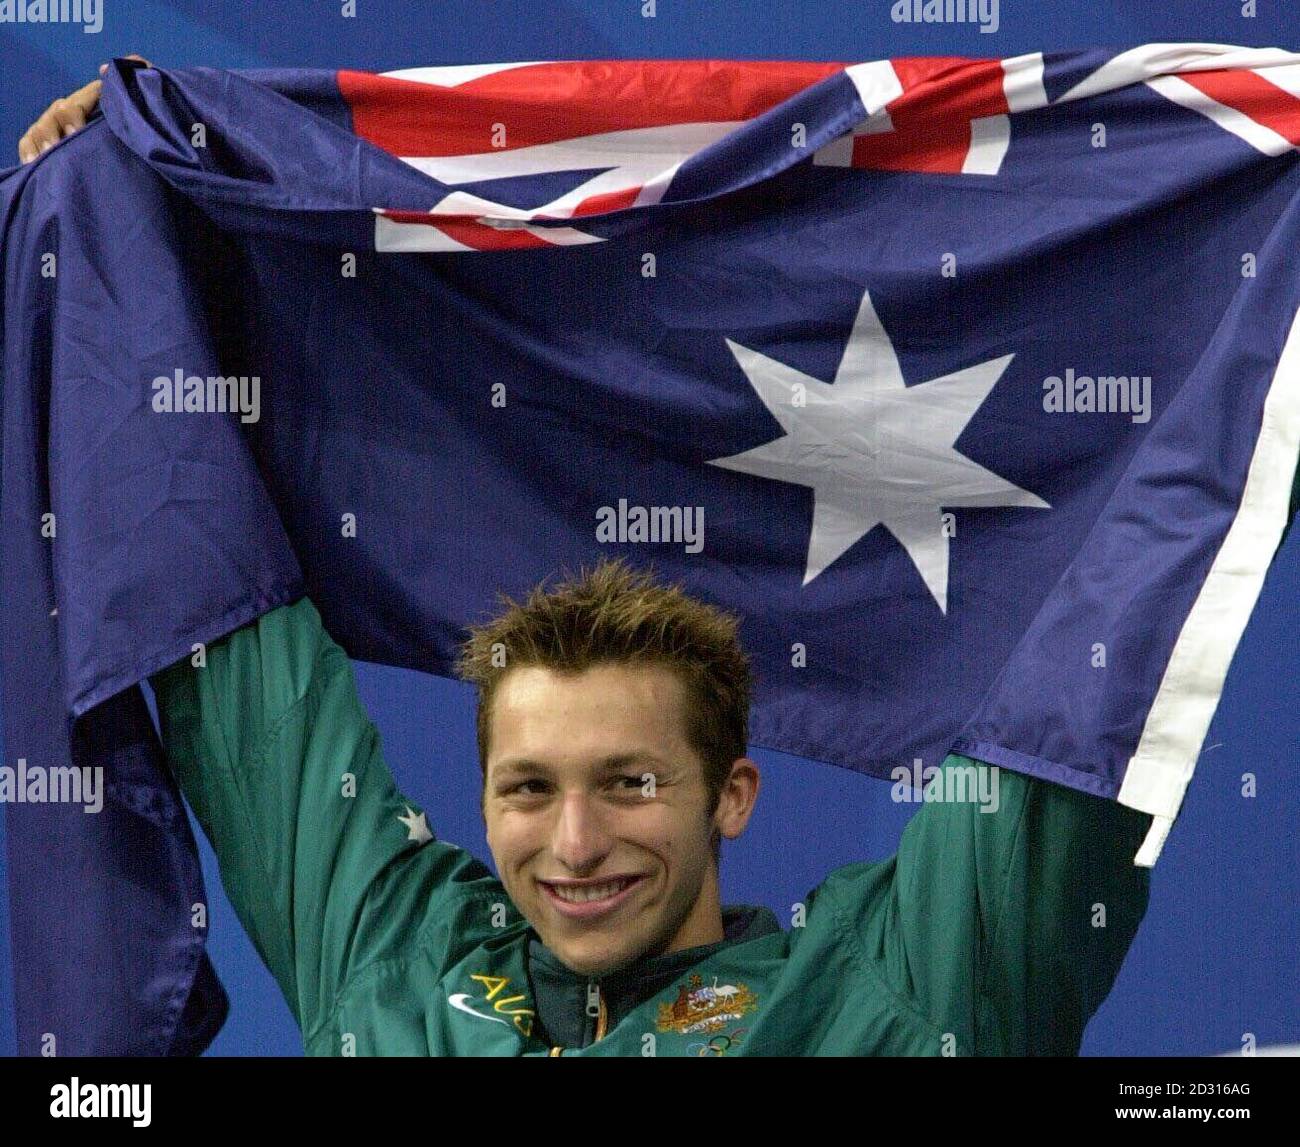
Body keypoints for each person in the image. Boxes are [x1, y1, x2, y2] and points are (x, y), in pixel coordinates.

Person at [20, 68, 1154, 1057]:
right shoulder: (390, 960)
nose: (574, 844)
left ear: (733, 794)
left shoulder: (898, 990)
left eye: (631, 781)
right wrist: (120, 214)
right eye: (529, 787)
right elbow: (223, 622)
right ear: (484, 797)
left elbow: (1090, 689)